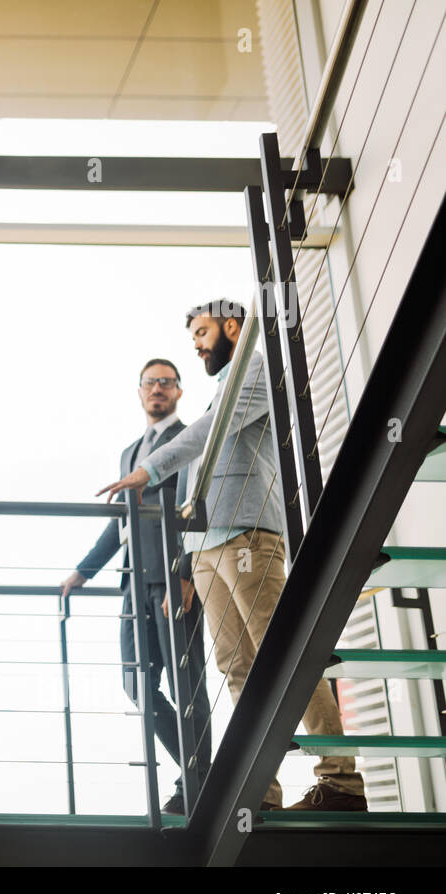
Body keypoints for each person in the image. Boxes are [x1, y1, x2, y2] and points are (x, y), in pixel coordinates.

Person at [99, 299, 367, 812]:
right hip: (204, 545)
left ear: (230, 327)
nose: (198, 344)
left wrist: (148, 471)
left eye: (202, 332)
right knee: (236, 667)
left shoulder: (259, 369)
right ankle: (261, 789)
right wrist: (184, 561)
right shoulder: (222, 386)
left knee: (282, 652)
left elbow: (210, 429)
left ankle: (340, 781)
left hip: (247, 536)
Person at [62, 358, 212, 815]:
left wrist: (184, 571)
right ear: (140, 391)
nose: (158, 389)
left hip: (173, 580)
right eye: (150, 383)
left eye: (167, 382)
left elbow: (196, 506)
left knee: (188, 688)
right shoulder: (130, 451)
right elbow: (120, 523)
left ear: (179, 392)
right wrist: (83, 572)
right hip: (133, 584)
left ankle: (197, 785)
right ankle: (198, 774)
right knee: (137, 685)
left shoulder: (189, 441)